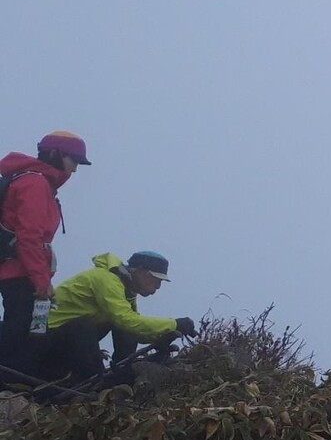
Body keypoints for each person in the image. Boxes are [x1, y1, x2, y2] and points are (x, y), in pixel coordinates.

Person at [30, 251, 195, 390]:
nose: (158, 286)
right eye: (155, 279)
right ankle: (95, 381)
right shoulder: (106, 280)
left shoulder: (125, 288)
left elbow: (133, 326)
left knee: (121, 323)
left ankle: (121, 369)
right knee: (89, 324)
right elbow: (126, 320)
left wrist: (162, 336)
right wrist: (174, 323)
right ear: (139, 271)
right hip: (45, 343)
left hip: (65, 342)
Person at [0, 131, 90, 360]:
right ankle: (12, 381)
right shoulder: (36, 183)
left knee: (26, 325)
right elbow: (29, 237)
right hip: (19, 270)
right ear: (54, 154)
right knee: (20, 327)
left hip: (18, 268)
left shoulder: (30, 179)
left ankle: (20, 379)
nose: (75, 169)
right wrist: (41, 282)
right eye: (73, 160)